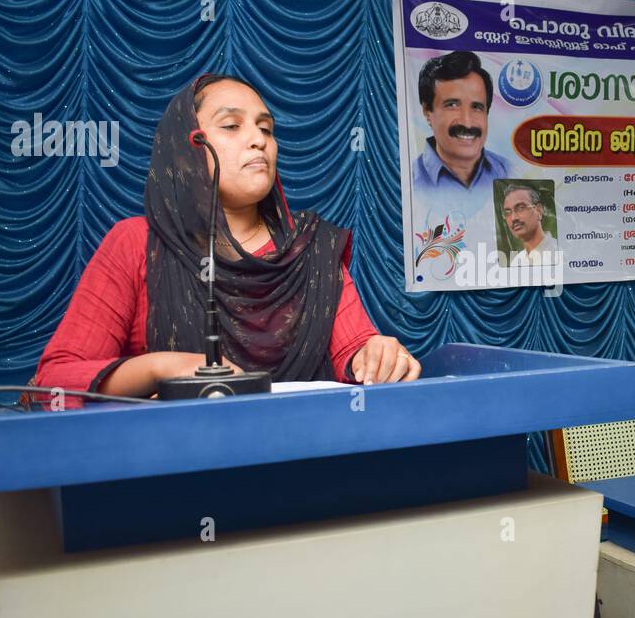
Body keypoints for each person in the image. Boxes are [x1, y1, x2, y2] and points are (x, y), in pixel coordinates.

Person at [35, 74, 420, 402]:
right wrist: (167, 368)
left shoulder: (311, 249)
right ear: (186, 146)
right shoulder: (136, 244)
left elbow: (356, 351)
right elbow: (54, 381)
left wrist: (379, 354)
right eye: (232, 126)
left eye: (266, 128)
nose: (258, 140)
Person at [412, 51, 510, 207]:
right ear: (427, 111)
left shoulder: (509, 173)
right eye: (452, 105)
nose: (467, 122)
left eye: (477, 107)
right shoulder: (406, 182)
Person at [502, 184, 558, 266]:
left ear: (539, 211)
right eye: (507, 212)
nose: (513, 218)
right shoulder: (516, 263)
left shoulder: (560, 252)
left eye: (521, 208)